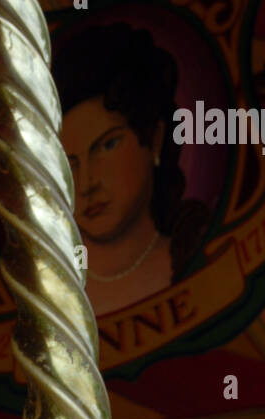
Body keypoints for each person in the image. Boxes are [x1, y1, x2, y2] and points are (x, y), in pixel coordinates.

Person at [54, 22, 211, 316]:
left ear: (153, 139)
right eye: (68, 164)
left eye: (107, 146)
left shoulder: (200, 255)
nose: (87, 183)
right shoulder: (49, 287)